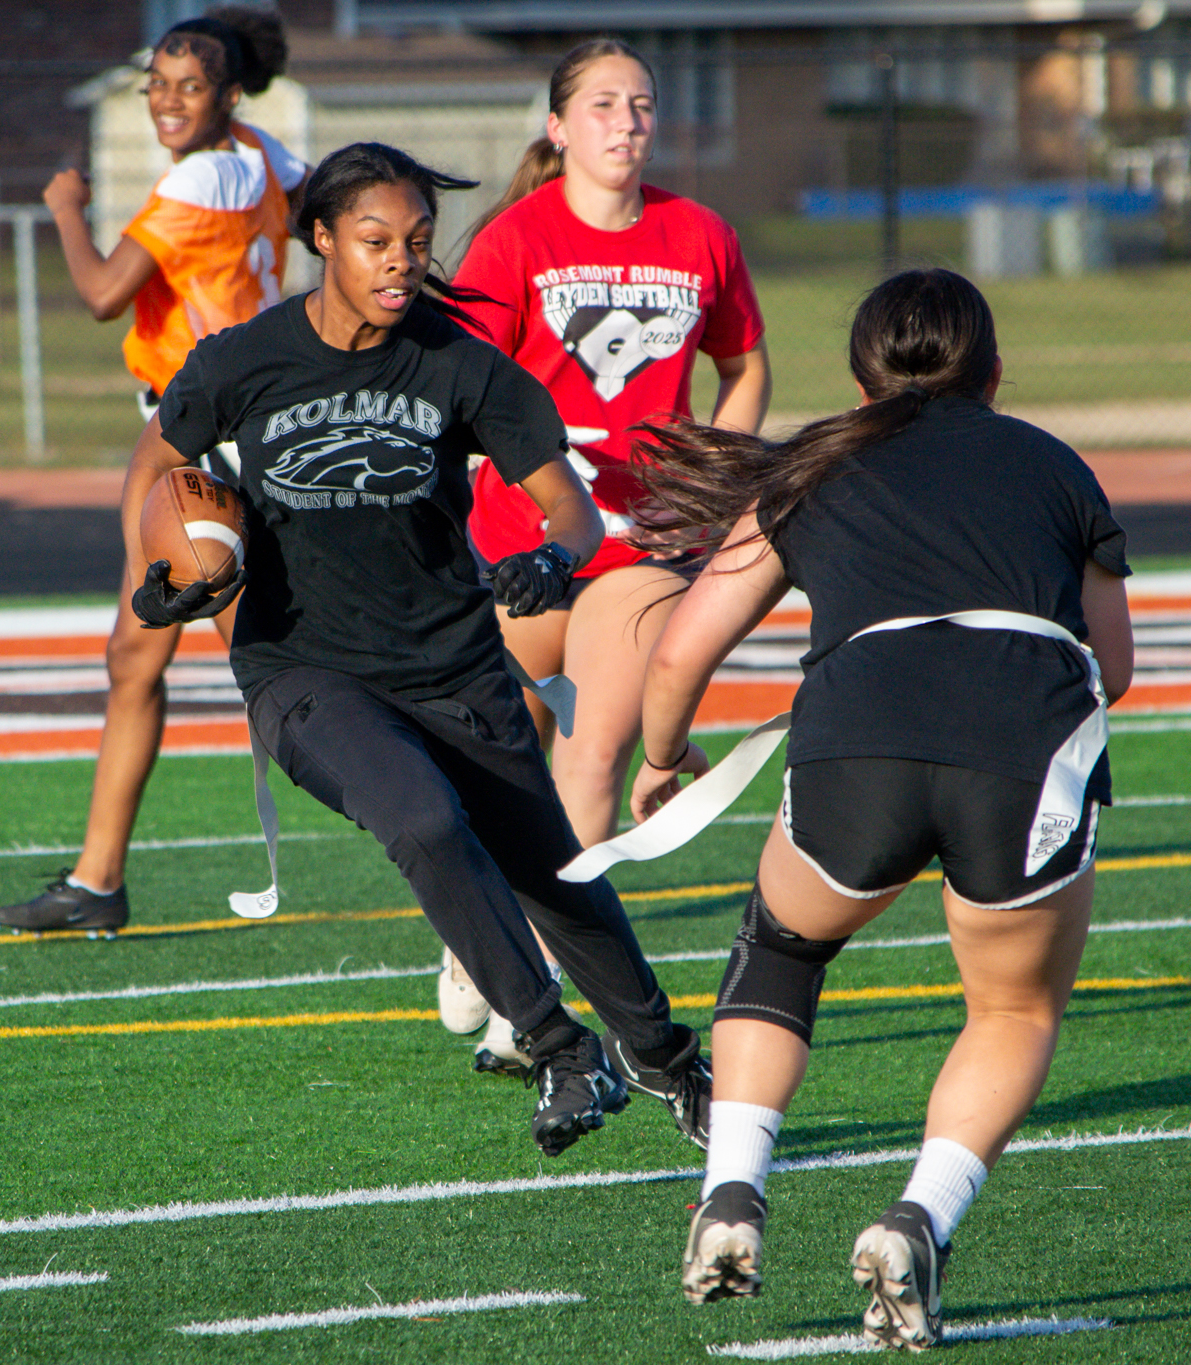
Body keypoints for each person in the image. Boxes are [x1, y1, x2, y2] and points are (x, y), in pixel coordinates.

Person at [126, 141, 712, 1157]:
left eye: (414, 242)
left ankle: (666, 1062)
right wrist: (166, 564)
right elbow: (159, 462)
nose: (399, 261)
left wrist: (554, 562)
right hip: (301, 665)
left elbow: (567, 512)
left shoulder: (457, 362)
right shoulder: (241, 360)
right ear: (320, 240)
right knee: (421, 820)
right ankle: (556, 1046)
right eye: (373, 241)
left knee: (552, 873)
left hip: (451, 661)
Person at [625, 269, 1134, 1347]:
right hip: (1019, 749)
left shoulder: (816, 463)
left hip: (858, 737)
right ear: (995, 374)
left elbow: (677, 652)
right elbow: (1114, 665)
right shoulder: (1055, 466)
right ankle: (917, 1220)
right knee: (1010, 1010)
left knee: (781, 949)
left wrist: (661, 761)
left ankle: (730, 1191)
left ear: (859, 383)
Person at [436, 37, 773, 1070]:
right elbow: (461, 384)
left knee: (589, 765)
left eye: (640, 104)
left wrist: (712, 475)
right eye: (601, 105)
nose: (625, 122)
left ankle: (522, 1001)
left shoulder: (698, 232)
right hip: (522, 545)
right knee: (481, 771)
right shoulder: (511, 241)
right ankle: (474, 936)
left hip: (641, 548)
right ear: (556, 127)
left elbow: (744, 361)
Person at [0, 7, 306, 936]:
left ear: (228, 93)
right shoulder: (266, 153)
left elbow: (99, 294)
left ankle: (450, 833)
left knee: (284, 670)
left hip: (203, 441)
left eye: (188, 85)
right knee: (136, 650)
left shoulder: (210, 170)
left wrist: (63, 207)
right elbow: (318, 197)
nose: (168, 100)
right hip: (211, 427)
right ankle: (97, 881)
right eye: (155, 85)